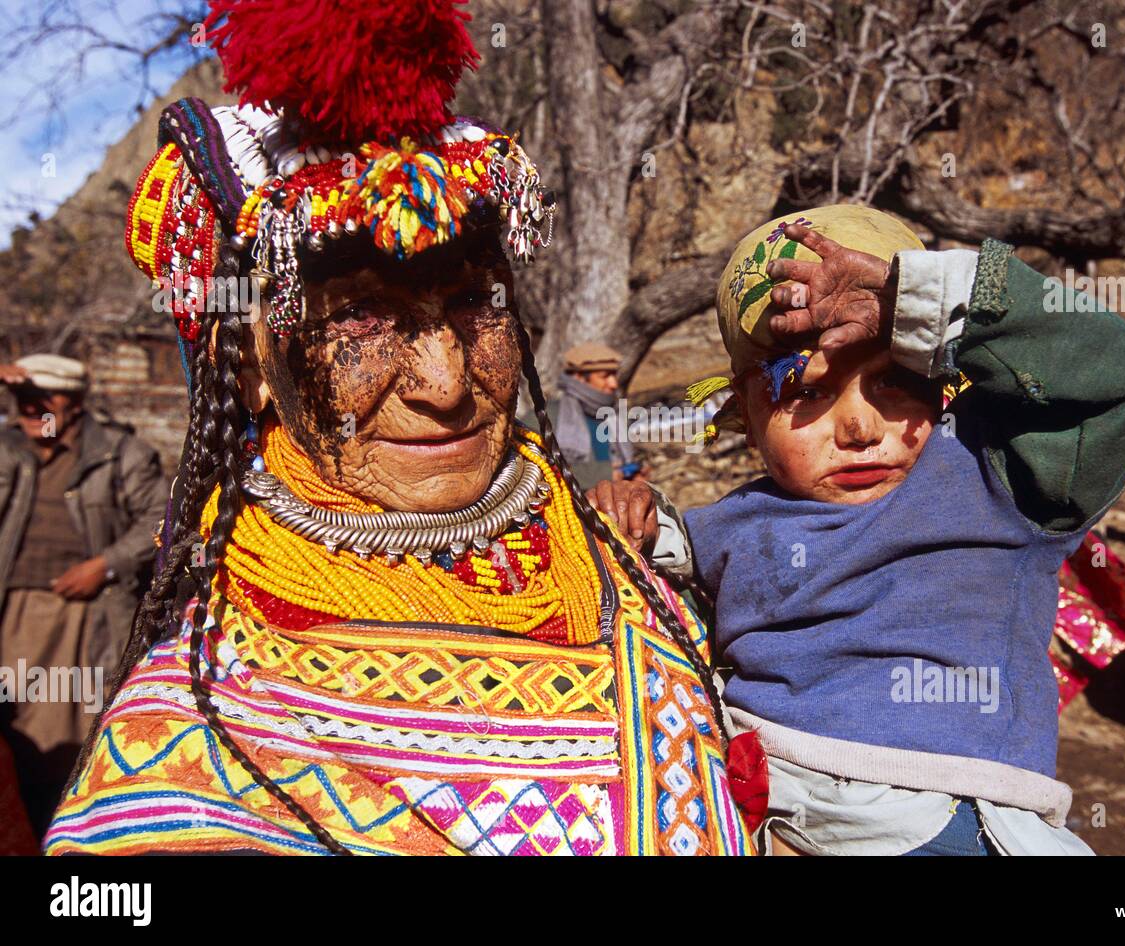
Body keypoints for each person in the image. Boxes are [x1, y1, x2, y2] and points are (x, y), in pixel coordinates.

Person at [46, 0, 752, 856]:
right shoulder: (194, 730)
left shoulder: (617, 559)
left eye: (471, 303)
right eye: (361, 321)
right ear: (248, 366)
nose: (446, 384)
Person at [589, 204, 1125, 855]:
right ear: (745, 421)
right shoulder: (733, 520)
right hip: (756, 808)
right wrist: (629, 514)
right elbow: (658, 558)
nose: (859, 428)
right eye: (804, 392)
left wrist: (918, 298)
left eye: (893, 381)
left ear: (945, 381)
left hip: (955, 818)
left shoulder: (1000, 475)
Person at [0, 354, 167, 835]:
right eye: (22, 403)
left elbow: (160, 518)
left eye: (42, 403)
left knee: (74, 738)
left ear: (73, 405)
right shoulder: (8, 450)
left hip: (86, 617)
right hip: (15, 617)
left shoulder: (121, 454)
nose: (31, 413)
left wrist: (105, 564)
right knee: (18, 736)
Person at [552, 342, 640, 488]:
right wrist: (603, 475)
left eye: (614, 375)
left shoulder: (616, 416)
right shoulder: (546, 420)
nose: (614, 384)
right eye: (605, 376)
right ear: (579, 378)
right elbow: (537, 473)